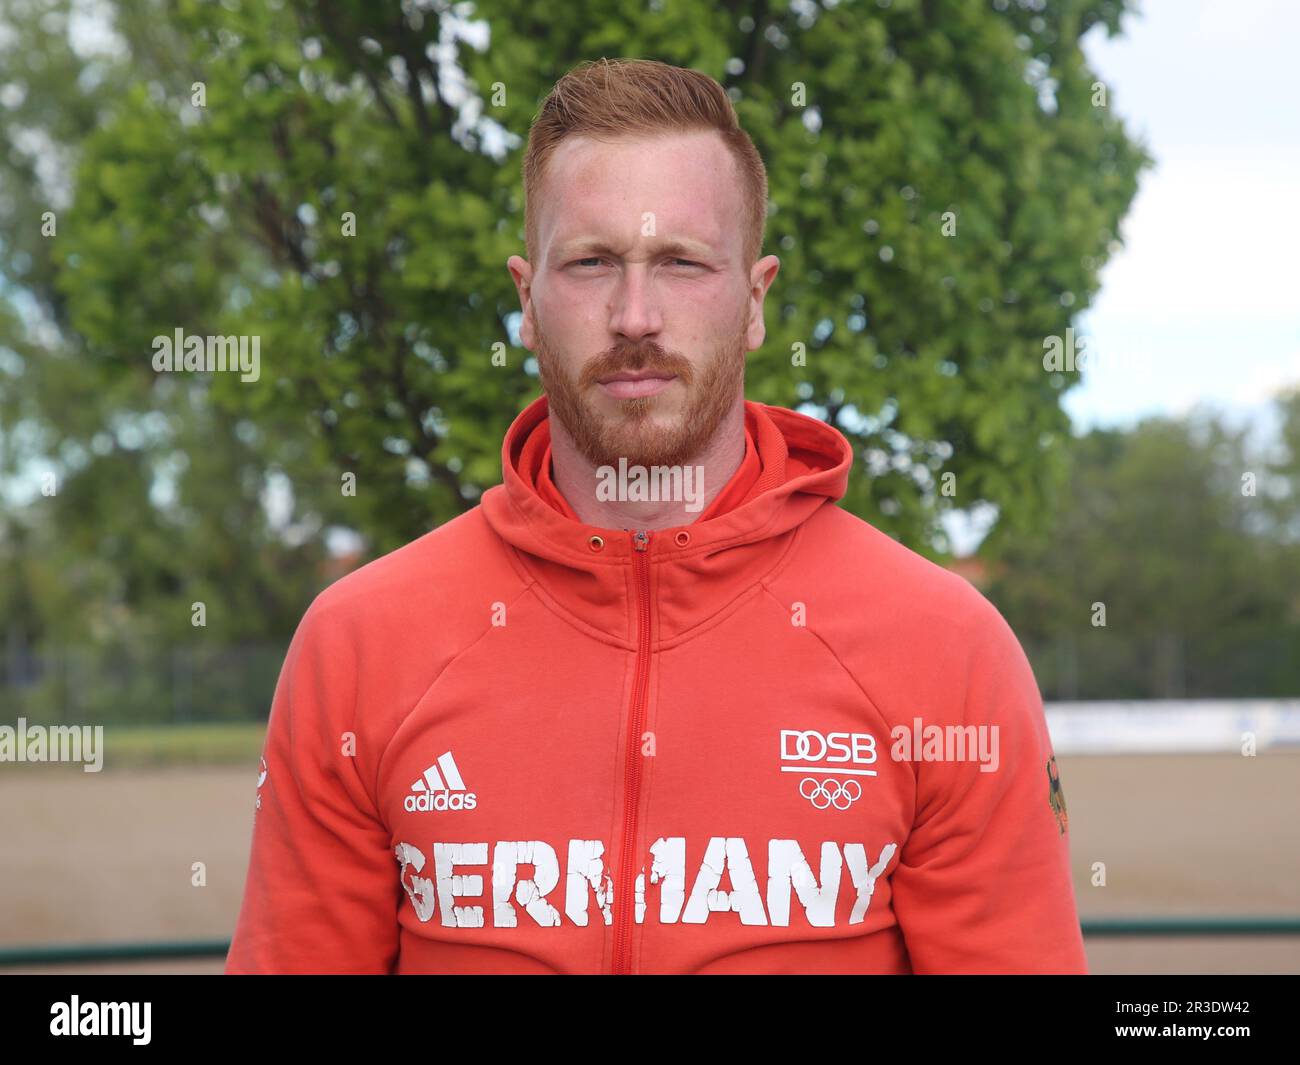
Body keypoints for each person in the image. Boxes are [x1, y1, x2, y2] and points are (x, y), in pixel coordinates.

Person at [225, 57, 1087, 975]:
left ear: (754, 300)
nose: (635, 315)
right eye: (592, 262)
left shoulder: (946, 650)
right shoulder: (360, 645)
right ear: (526, 301)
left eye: (681, 262)